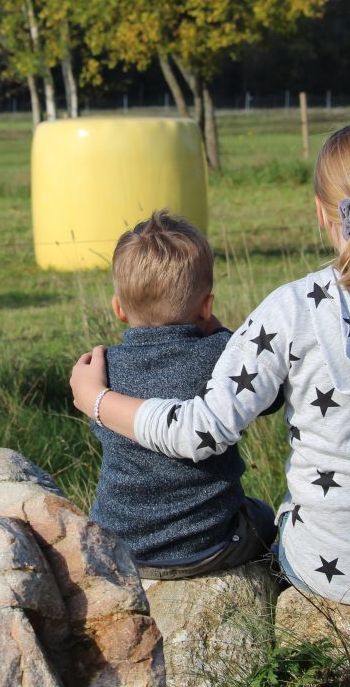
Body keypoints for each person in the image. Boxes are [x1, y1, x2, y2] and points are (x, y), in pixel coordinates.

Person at [71, 123, 350, 607]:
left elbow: (201, 432)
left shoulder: (289, 310)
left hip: (327, 562)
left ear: (320, 212)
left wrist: (96, 400)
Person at [87, 210, 277, 580]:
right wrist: (227, 337)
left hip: (123, 545)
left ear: (118, 308)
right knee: (265, 517)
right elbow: (269, 399)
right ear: (207, 305)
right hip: (209, 542)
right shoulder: (220, 354)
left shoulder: (103, 367)